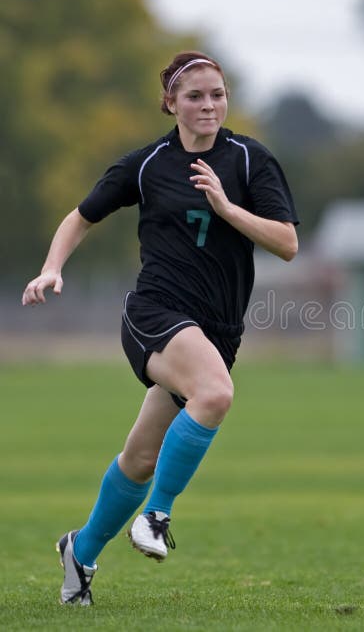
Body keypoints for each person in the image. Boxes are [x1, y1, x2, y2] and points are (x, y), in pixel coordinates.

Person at [21, 51, 299, 606]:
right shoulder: (148, 165)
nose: (208, 105)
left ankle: (81, 551)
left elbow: (287, 244)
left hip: (218, 330)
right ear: (170, 103)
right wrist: (52, 267)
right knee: (215, 393)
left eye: (217, 94)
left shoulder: (250, 160)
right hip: (155, 312)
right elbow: (80, 216)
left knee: (141, 459)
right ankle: (156, 516)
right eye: (194, 96)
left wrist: (228, 208)